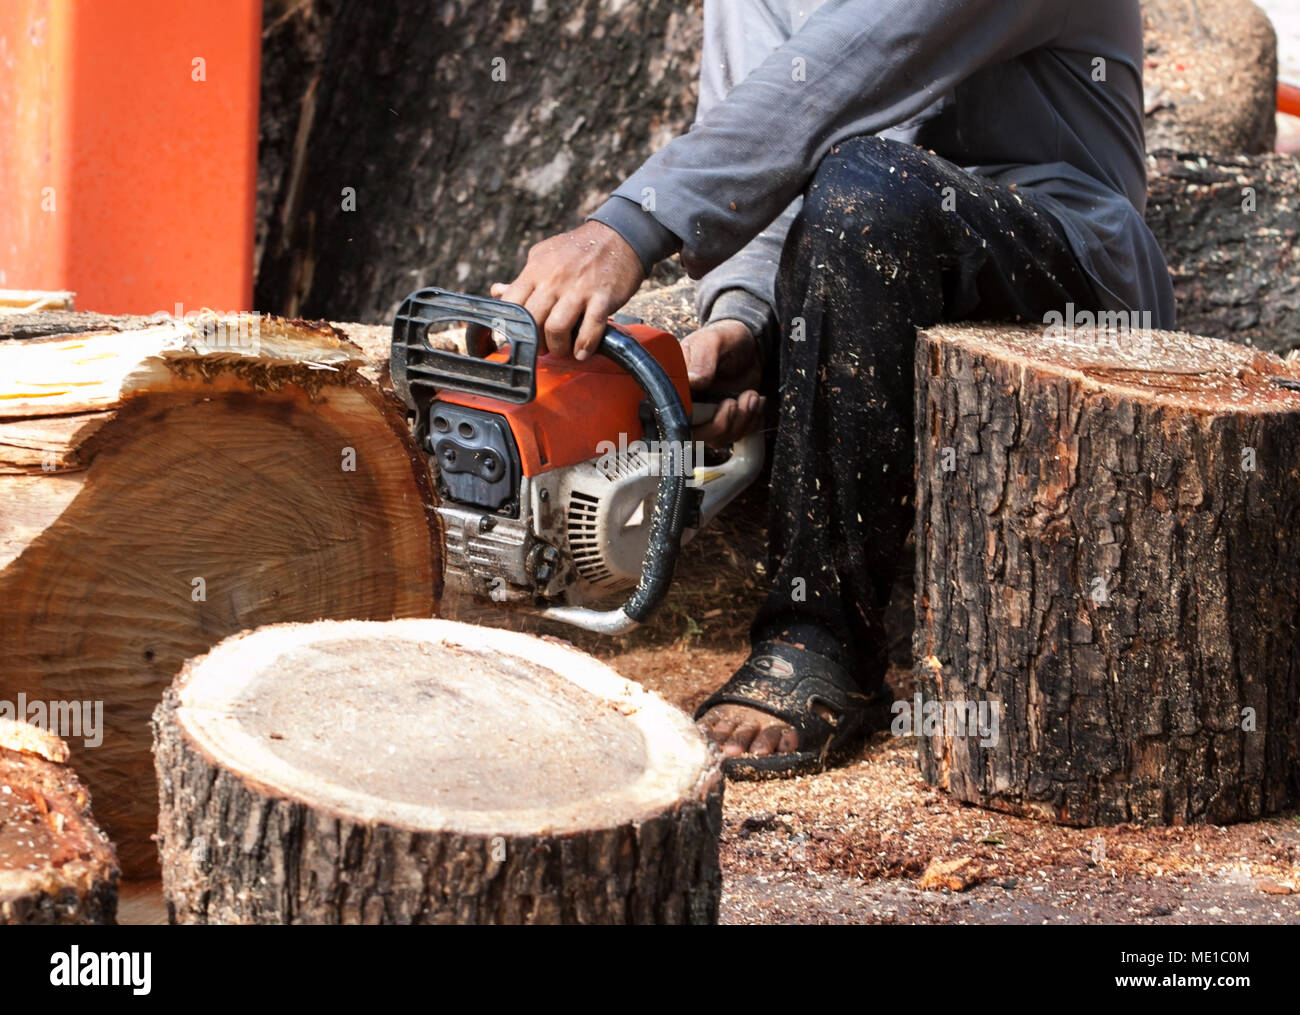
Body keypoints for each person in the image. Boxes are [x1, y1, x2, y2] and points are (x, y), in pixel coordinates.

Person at [490, 0, 1175, 778]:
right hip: (867, 241)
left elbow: (864, 57)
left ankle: (817, 637)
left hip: (1068, 257)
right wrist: (747, 319)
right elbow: (771, 134)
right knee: (853, 200)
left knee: (863, 188)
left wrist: (629, 226)